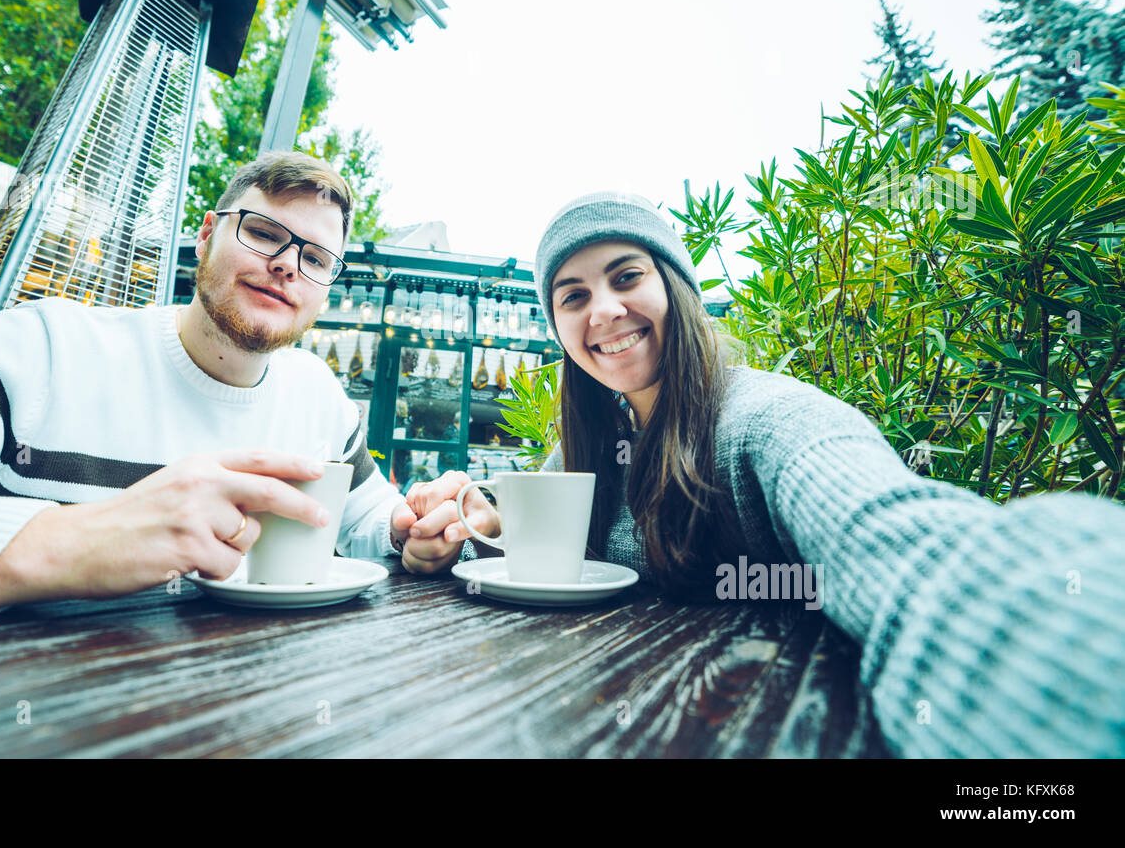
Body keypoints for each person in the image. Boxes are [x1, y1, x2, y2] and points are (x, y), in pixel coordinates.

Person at [399, 191, 1125, 758]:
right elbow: (528, 505)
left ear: (677, 288)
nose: (606, 309)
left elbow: (898, 543)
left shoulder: (771, 419)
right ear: (557, 325)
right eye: (574, 294)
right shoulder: (602, 438)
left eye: (627, 276)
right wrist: (472, 515)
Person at [0, 151, 447, 635]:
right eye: (263, 232)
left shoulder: (320, 398)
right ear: (205, 235)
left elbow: (362, 516)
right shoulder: (40, 350)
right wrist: (67, 544)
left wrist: (406, 529)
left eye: (316, 258)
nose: (288, 264)